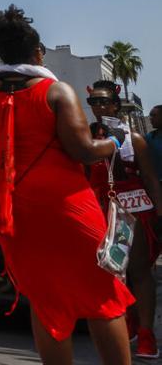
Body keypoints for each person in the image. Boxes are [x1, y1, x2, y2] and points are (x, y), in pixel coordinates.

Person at [0, 5, 133, 365]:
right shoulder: (56, 91)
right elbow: (84, 151)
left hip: (11, 205)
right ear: (38, 53)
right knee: (103, 295)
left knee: (46, 300)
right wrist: (113, 142)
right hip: (65, 204)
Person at [86, 81, 162, 358]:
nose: (99, 107)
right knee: (110, 272)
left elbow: (151, 179)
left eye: (104, 102)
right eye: (94, 102)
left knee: (139, 271)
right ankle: (125, 324)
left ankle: (146, 335)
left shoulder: (135, 139)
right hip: (97, 208)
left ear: (116, 105)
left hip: (133, 207)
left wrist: (159, 216)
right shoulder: (85, 137)